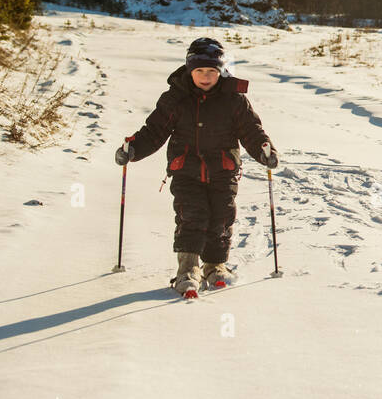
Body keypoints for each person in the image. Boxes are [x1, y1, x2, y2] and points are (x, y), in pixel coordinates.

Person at [115, 37, 278, 296]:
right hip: (186, 169)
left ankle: (215, 266)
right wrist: (133, 149)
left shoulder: (233, 99)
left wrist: (263, 151)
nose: (205, 77)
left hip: (224, 170)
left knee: (221, 217)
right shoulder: (175, 98)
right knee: (192, 215)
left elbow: (251, 131)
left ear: (221, 71)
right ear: (190, 70)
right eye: (199, 71)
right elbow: (154, 131)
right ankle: (188, 269)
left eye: (211, 71)